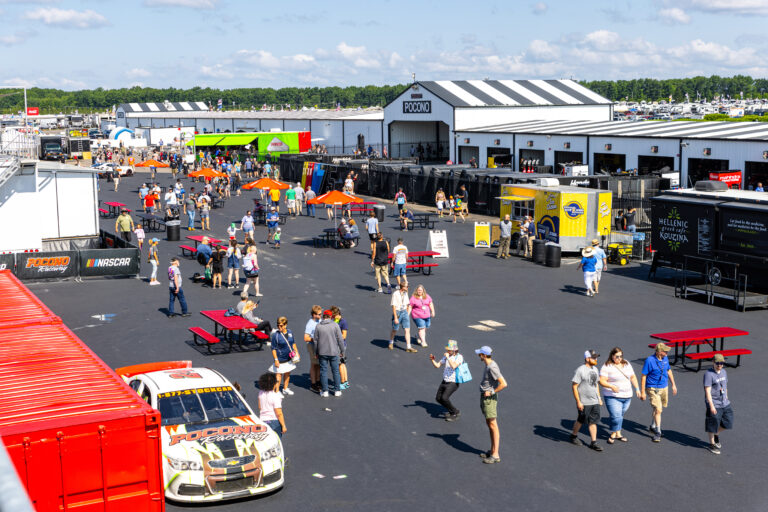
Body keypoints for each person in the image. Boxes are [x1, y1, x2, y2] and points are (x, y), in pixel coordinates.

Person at [600, 347, 641, 444]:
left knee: (620, 415)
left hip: (627, 396)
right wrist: (611, 386)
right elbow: (601, 381)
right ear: (612, 356)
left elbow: (632, 377)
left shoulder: (626, 363)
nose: (619, 358)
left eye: (621, 356)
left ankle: (618, 433)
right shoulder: (607, 366)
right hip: (612, 396)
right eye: (617, 356)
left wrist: (637, 389)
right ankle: (613, 434)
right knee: (616, 415)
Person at [641, 343, 678, 443]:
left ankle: (653, 426)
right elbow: (644, 376)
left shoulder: (665, 358)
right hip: (652, 388)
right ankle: (658, 432)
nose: (667, 352)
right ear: (658, 352)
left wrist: (673, 384)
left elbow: (669, 371)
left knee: (657, 408)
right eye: (665, 351)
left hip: (664, 387)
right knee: (658, 409)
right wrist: (642, 392)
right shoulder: (649, 360)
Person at [476, 346, 507, 464]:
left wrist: (492, 392)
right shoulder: (489, 364)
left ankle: (495, 455)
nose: (478, 356)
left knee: (493, 425)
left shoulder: (492, 367)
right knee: (490, 424)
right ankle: (493, 450)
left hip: (489, 400)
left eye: (480, 354)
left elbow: (504, 384)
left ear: (484, 355)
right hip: (485, 398)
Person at [570, 350, 604, 451]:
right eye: (593, 358)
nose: (596, 359)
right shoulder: (580, 370)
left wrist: (599, 398)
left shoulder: (596, 369)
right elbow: (574, 386)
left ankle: (594, 442)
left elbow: (596, 384)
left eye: (596, 357)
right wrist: (578, 401)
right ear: (587, 359)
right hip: (584, 402)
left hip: (595, 401)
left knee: (593, 422)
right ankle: (573, 436)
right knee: (581, 420)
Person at [703, 354, 733, 455]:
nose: (719, 365)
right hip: (714, 403)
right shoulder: (708, 374)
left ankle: (716, 433)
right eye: (717, 363)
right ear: (713, 362)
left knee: (728, 422)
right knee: (712, 423)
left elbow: (725, 386)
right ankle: (712, 444)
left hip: (724, 402)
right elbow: (707, 391)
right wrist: (711, 405)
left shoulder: (724, 372)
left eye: (721, 363)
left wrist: (727, 397)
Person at [314, 309, 346, 397]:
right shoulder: (335, 325)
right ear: (331, 317)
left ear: (323, 316)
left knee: (323, 371)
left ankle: (325, 391)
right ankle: (337, 390)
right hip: (334, 352)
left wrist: (316, 352)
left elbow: (316, 341)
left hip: (322, 352)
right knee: (335, 371)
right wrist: (342, 351)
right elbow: (340, 339)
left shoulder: (318, 326)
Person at [429, 340, 463, 421]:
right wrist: (432, 360)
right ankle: (451, 411)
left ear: (454, 350)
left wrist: (448, 357)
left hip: (454, 382)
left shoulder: (459, 357)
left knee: (444, 398)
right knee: (438, 398)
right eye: (447, 349)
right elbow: (437, 365)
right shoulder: (446, 356)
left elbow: (454, 366)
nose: (447, 351)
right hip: (444, 381)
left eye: (449, 350)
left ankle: (455, 412)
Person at [269, 316, 299, 395]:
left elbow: (293, 343)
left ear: (285, 325)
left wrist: (297, 353)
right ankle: (277, 391)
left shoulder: (290, 332)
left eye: (281, 325)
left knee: (287, 373)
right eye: (278, 325)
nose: (279, 327)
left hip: (289, 358)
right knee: (279, 375)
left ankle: (285, 389)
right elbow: (273, 348)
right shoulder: (276, 335)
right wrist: (276, 360)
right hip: (280, 358)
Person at [257, 373, 286, 438]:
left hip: (262, 421)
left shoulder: (260, 393)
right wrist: (283, 425)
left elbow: (260, 407)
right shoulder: (276, 396)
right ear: (274, 384)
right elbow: (279, 413)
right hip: (274, 422)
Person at [389, 282, 415, 352]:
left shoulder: (406, 293)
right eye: (407, 286)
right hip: (397, 312)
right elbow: (393, 306)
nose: (408, 287)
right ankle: (391, 342)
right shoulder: (395, 294)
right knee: (395, 329)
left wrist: (406, 313)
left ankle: (408, 347)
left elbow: (407, 304)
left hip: (404, 312)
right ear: (402, 287)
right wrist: (395, 317)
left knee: (407, 329)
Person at [330, 306, 350, 390]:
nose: (332, 318)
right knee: (343, 363)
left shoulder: (343, 322)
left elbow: (344, 336)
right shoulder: (335, 321)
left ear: (337, 314)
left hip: (340, 346)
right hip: (339, 346)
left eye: (333, 316)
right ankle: (345, 382)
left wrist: (334, 337)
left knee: (340, 364)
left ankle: (342, 382)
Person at [304, 305, 322, 393]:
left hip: (319, 346)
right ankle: (313, 383)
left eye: (321, 314)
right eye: (319, 314)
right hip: (312, 346)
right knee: (313, 364)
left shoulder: (320, 321)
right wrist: (315, 339)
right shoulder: (310, 324)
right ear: (314, 314)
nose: (320, 316)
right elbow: (306, 338)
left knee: (318, 364)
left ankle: (318, 381)